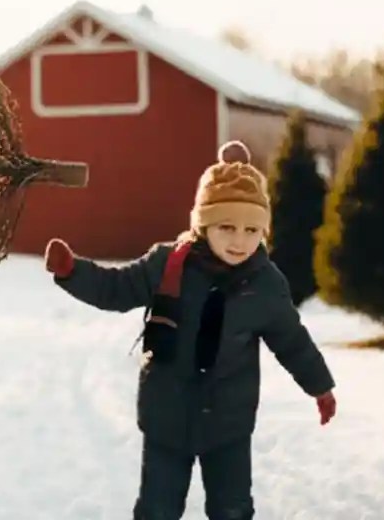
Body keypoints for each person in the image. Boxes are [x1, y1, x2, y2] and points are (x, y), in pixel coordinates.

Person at [43, 140, 337, 520]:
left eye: (252, 230)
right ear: (203, 224)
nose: (239, 240)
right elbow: (116, 289)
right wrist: (73, 271)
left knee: (232, 509)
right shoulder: (169, 264)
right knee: (158, 509)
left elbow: (292, 341)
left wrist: (320, 386)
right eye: (227, 227)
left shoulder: (265, 283)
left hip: (229, 422)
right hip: (167, 416)